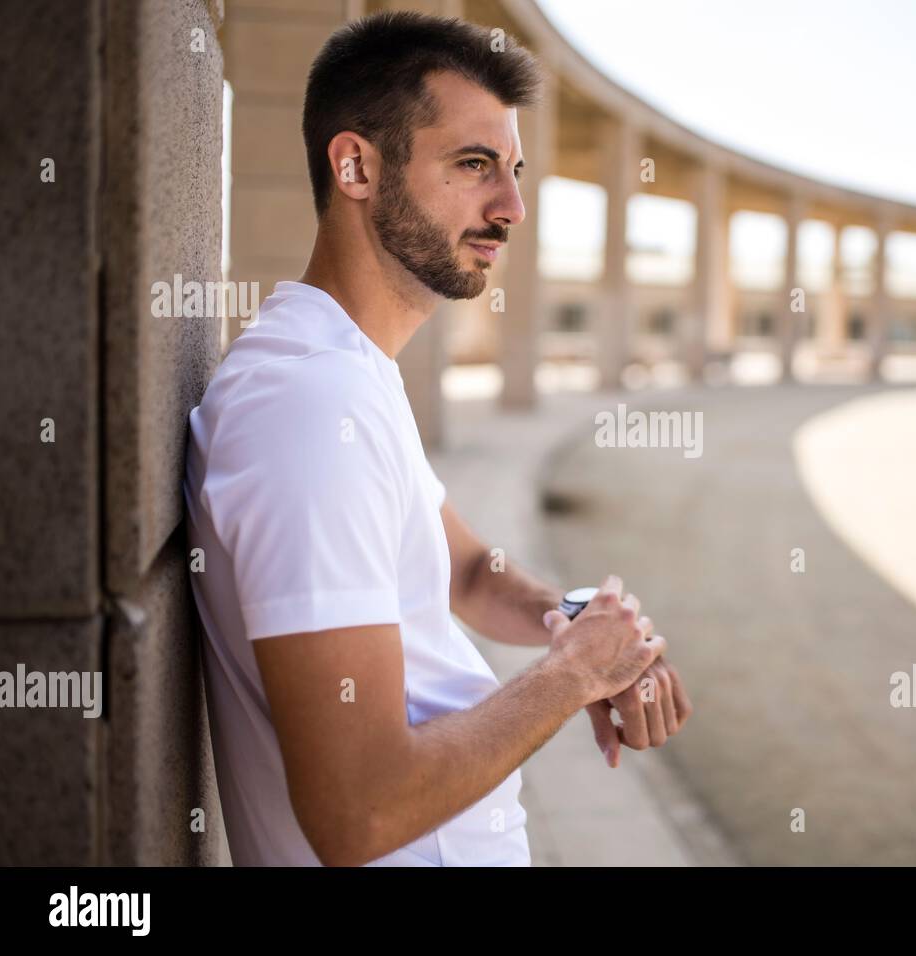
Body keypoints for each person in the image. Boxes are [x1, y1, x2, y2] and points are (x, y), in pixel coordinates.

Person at [183, 11, 691, 867]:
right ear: (355, 166)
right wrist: (572, 677)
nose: (513, 207)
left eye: (515, 171)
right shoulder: (307, 407)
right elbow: (359, 812)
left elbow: (460, 571)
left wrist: (576, 623)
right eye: (473, 165)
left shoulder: (349, 371)